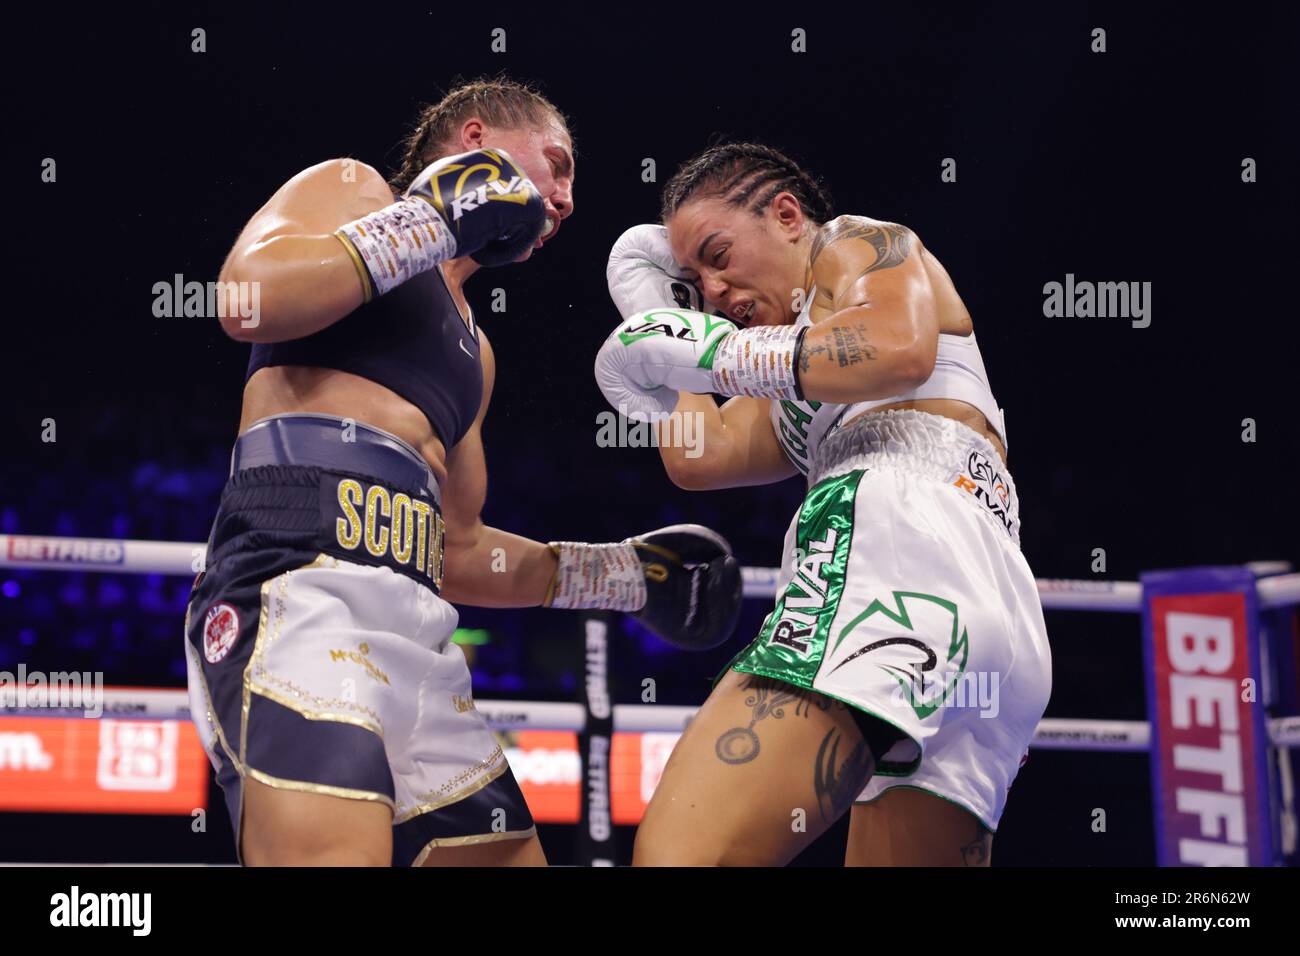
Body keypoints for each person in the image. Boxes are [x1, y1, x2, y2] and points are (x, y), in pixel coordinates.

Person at [185, 78, 742, 867]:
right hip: (300, 590)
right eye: (556, 164)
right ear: (476, 138)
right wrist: (432, 216)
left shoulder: (474, 354)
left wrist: (621, 575)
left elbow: (457, 550)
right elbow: (246, 298)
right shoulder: (353, 189)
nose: (567, 196)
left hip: (417, 634)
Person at [596, 143, 1052, 866]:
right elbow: (699, 453)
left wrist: (719, 355)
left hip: (900, 559)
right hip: (992, 615)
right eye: (694, 281)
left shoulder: (854, 242)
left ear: (785, 216)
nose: (711, 289)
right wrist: (662, 327)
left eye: (718, 254)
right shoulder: (805, 391)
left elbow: (894, 347)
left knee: (682, 853)